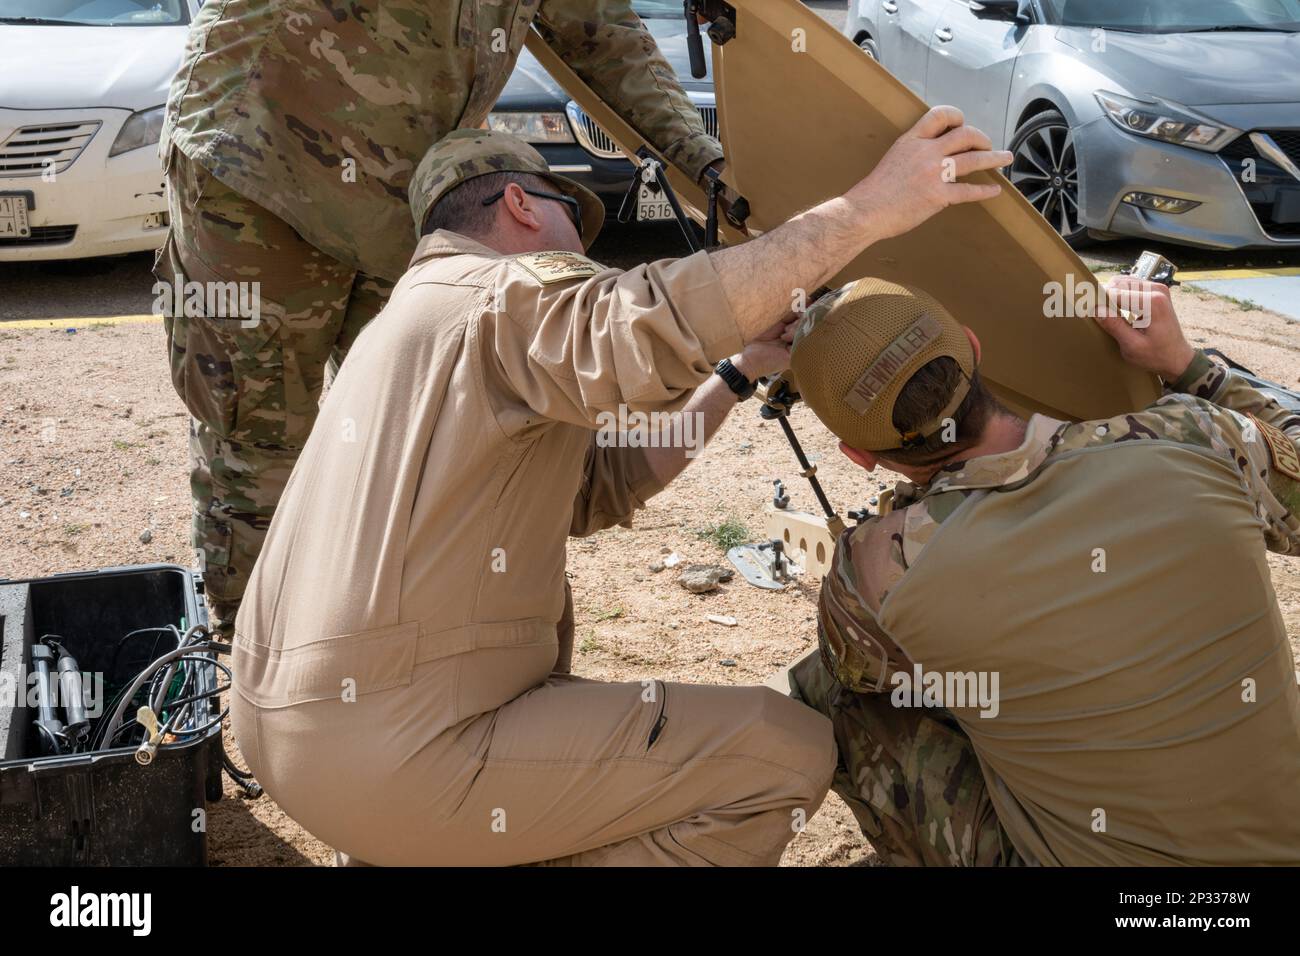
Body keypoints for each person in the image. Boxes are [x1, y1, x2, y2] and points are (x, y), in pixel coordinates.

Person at [229, 109, 1013, 865]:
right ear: (519, 206)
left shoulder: (412, 327)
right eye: (575, 220)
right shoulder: (497, 293)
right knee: (785, 752)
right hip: (397, 753)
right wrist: (874, 206)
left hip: (299, 744)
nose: (585, 249)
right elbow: (643, 324)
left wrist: (737, 371)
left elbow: (593, 489)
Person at [155, 0, 729, 639]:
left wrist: (702, 163)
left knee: (434, 427)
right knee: (258, 433)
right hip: (262, 164)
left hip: (416, 197)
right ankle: (256, 666)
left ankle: (410, 656)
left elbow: (601, 34)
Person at [781, 275, 1300, 865]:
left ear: (859, 455)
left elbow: (864, 673)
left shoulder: (871, 571)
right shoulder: (1198, 434)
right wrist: (1188, 366)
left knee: (835, 691)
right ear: (974, 348)